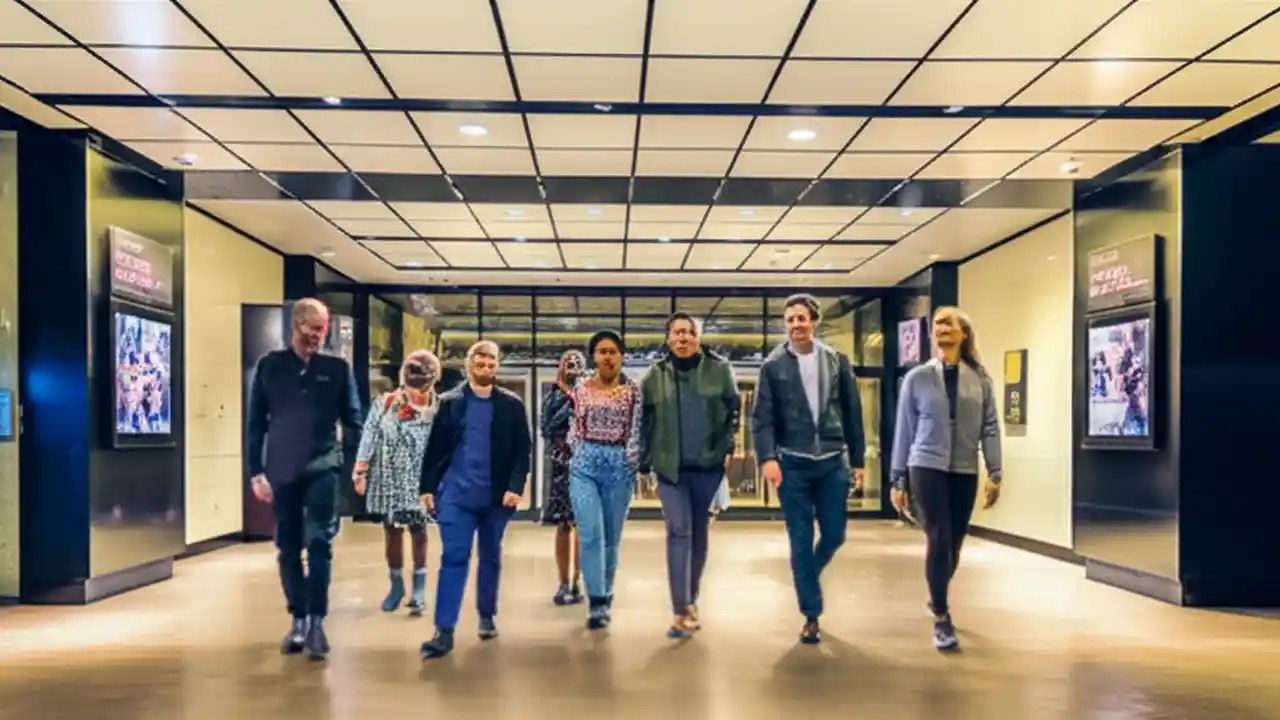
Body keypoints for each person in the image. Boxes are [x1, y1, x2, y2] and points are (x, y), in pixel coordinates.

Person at [246, 298, 362, 661]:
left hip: (323, 466)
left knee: (319, 543)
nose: (315, 335)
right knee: (288, 545)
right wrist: (256, 471)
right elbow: (255, 424)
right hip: (282, 468)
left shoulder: (337, 369)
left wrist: (359, 465)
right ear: (295, 326)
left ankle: (316, 620)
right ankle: (296, 617)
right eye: (310, 328)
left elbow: (354, 419)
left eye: (321, 329)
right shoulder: (271, 366)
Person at [751, 293, 865, 645]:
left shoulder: (836, 360)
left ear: (813, 321)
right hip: (792, 463)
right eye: (790, 320)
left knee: (834, 534)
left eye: (802, 318)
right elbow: (762, 418)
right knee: (800, 539)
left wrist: (858, 461)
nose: (796, 325)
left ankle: (806, 576)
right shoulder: (772, 366)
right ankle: (811, 614)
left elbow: (852, 412)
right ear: (785, 325)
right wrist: (767, 458)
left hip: (833, 461)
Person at [890, 305, 1003, 652]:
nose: (941, 329)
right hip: (925, 465)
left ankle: (936, 589)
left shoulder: (980, 379)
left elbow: (990, 426)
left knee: (954, 542)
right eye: (936, 325)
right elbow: (904, 428)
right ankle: (941, 614)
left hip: (964, 467)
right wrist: (897, 478)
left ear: (963, 332)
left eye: (947, 324)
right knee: (938, 536)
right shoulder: (918, 378)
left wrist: (995, 472)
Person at [418, 341, 530, 659]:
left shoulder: (511, 405)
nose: (485, 363)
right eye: (478, 358)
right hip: (455, 495)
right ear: (469, 364)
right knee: (454, 557)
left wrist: (515, 487)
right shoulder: (450, 403)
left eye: (491, 359)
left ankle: (486, 614)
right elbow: (435, 448)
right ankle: (444, 629)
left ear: (498, 365)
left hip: (496, 498)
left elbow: (523, 451)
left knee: (490, 556)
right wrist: (427, 488)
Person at [638, 312, 739, 638]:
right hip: (671, 471)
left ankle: (691, 599)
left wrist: (725, 450)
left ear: (698, 338)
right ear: (668, 338)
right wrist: (644, 461)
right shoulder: (654, 375)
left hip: (707, 469)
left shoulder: (720, 370)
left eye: (689, 332)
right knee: (678, 531)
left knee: (698, 536)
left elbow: (733, 413)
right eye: (677, 333)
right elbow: (644, 422)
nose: (683, 338)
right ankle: (679, 609)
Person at [353, 349, 442, 616]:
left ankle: (418, 590)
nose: (416, 389)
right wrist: (360, 469)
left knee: (419, 530)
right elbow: (369, 434)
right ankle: (396, 587)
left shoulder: (440, 406)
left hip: (421, 479)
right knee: (391, 529)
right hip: (388, 475)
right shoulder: (386, 402)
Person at [568, 330, 643, 630]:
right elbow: (575, 422)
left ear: (621, 356)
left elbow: (637, 429)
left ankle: (607, 593)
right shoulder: (581, 387)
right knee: (590, 532)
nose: (607, 357)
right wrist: (574, 447)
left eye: (613, 351)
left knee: (611, 536)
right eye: (602, 351)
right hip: (585, 463)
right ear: (594, 356)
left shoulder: (634, 391)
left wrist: (631, 460)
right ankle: (595, 599)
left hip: (618, 465)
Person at [540, 349, 587, 606]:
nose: (572, 367)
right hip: (559, 465)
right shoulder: (553, 395)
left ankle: (577, 582)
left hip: (585, 464)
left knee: (582, 524)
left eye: (577, 363)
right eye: (567, 362)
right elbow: (545, 427)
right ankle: (562, 582)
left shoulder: (590, 394)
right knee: (562, 524)